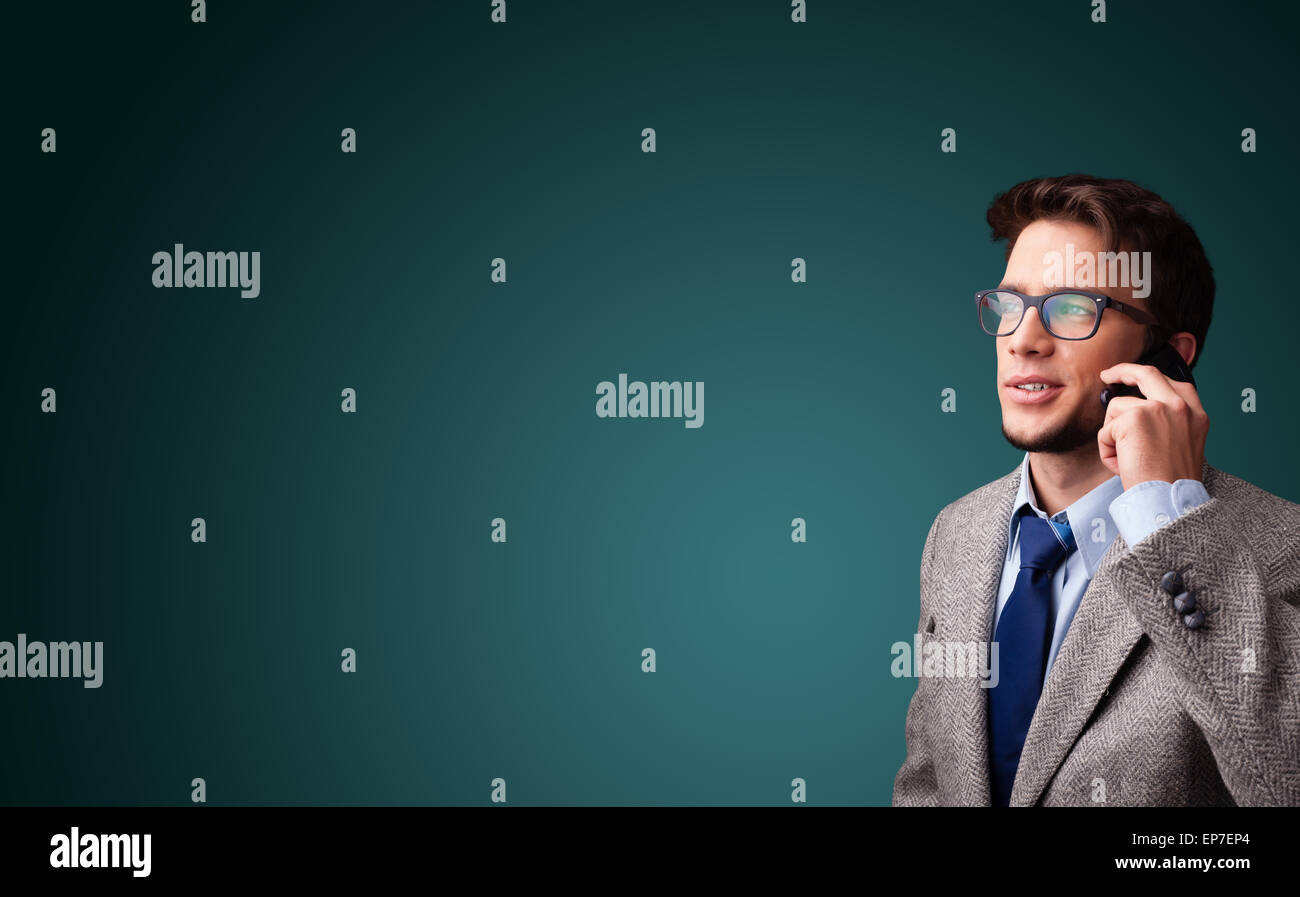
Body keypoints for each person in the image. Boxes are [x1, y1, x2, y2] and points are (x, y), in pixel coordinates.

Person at [892, 174, 1300, 806]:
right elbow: (927, 784)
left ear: (1167, 360)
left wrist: (1168, 519)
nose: (1024, 339)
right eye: (1010, 305)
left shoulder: (1281, 549)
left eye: (1074, 307)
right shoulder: (956, 532)